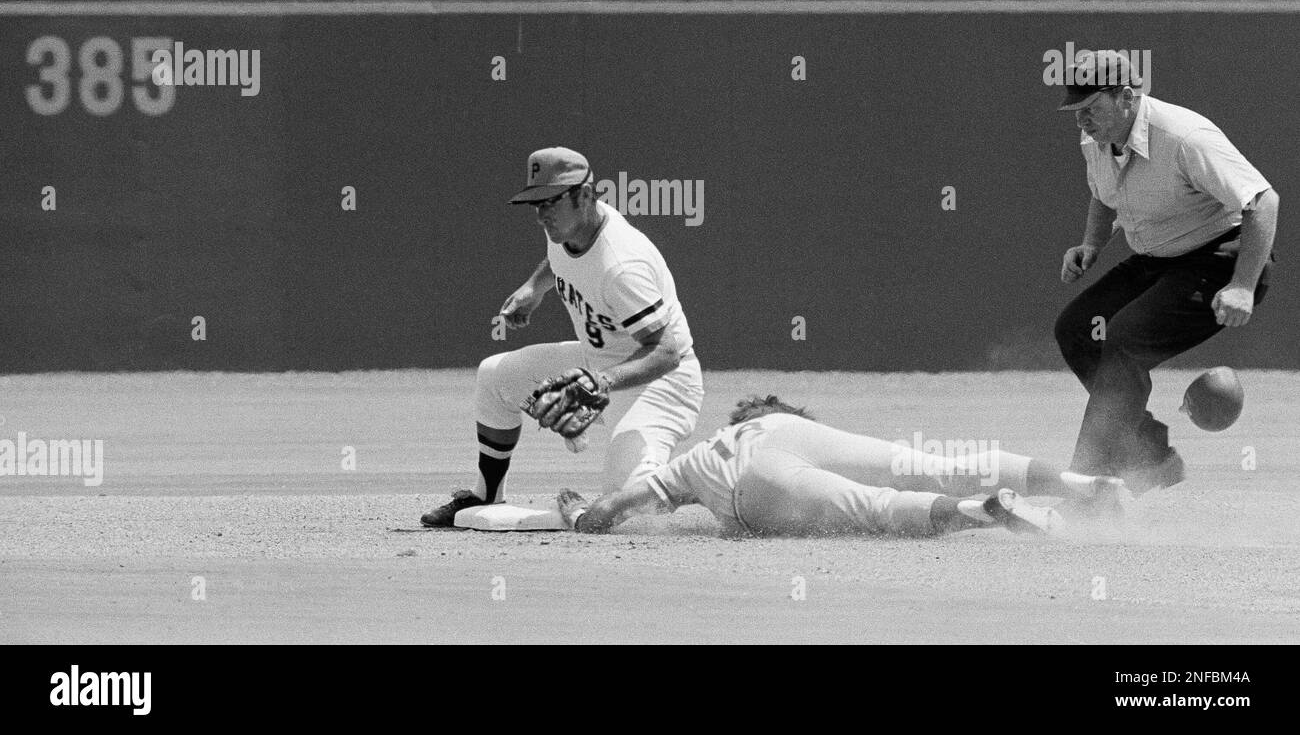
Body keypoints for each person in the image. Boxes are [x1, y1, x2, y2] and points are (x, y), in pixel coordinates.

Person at [421, 148, 704, 526]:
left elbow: (667, 351)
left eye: (550, 203)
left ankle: (716, 480)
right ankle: (486, 494)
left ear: (585, 196)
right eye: (536, 204)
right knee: (495, 375)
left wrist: (601, 382)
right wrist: (533, 289)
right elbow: (559, 258)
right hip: (596, 363)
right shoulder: (568, 228)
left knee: (631, 507)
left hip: (661, 384)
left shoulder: (622, 266)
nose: (542, 215)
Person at [1054, 50, 1278, 492]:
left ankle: (1089, 475)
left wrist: (1242, 287)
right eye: (1076, 110)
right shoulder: (1096, 139)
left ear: (1126, 97)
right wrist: (1092, 244)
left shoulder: (1182, 136)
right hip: (1159, 259)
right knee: (1078, 330)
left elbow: (1263, 202)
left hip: (1220, 258)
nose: (1082, 120)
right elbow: (1103, 193)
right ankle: (1150, 455)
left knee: (1124, 341)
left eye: (1091, 107)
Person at [556, 395, 1128, 537]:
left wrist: (582, 514)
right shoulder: (785, 421)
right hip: (799, 438)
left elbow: (619, 505)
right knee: (937, 463)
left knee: (874, 510)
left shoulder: (699, 456)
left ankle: (982, 511)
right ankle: (1085, 484)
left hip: (749, 487)